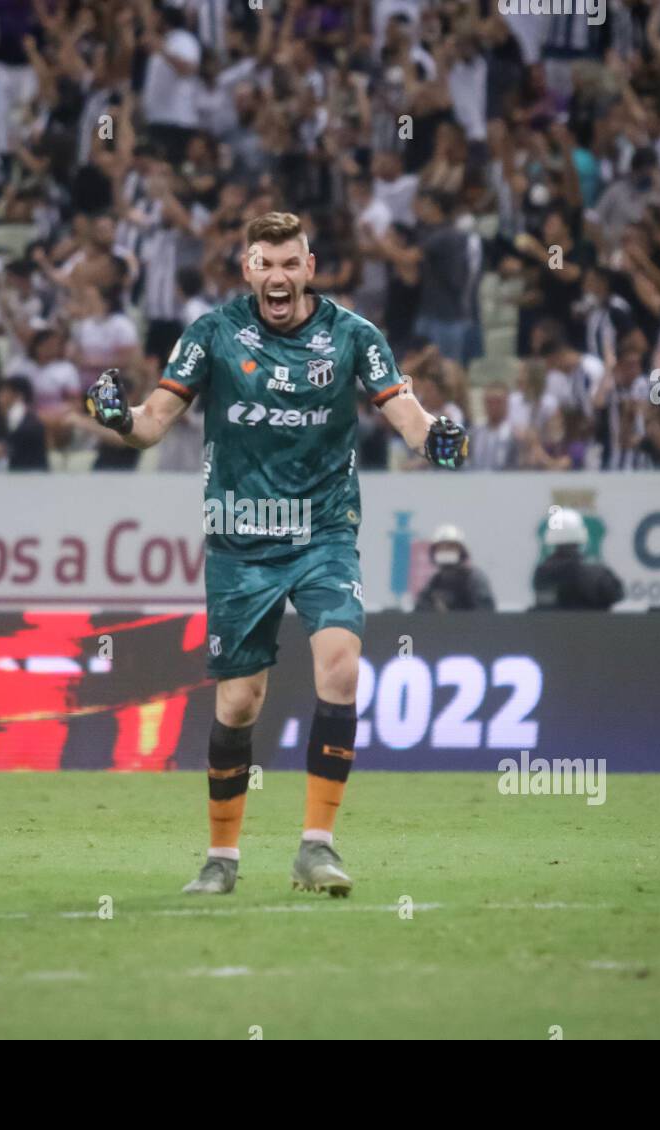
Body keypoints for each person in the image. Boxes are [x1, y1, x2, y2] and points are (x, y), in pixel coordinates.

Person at [85, 211, 468, 897]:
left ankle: (315, 848)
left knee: (341, 666)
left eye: (292, 263)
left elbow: (407, 416)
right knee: (238, 704)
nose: (280, 276)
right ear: (249, 270)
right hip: (241, 539)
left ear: (310, 268)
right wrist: (116, 417)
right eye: (267, 263)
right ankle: (221, 859)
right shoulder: (212, 336)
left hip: (324, 532)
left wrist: (438, 438)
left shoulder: (354, 336)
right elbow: (150, 427)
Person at [532, 507, 624, 611]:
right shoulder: (595, 573)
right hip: (594, 626)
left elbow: (542, 607)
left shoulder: (543, 572)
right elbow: (617, 594)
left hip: (555, 627)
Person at [415, 525, 494, 611]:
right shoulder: (434, 582)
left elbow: (485, 612)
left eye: (450, 547)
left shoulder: (474, 578)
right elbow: (419, 613)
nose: (445, 551)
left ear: (461, 551)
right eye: (441, 548)